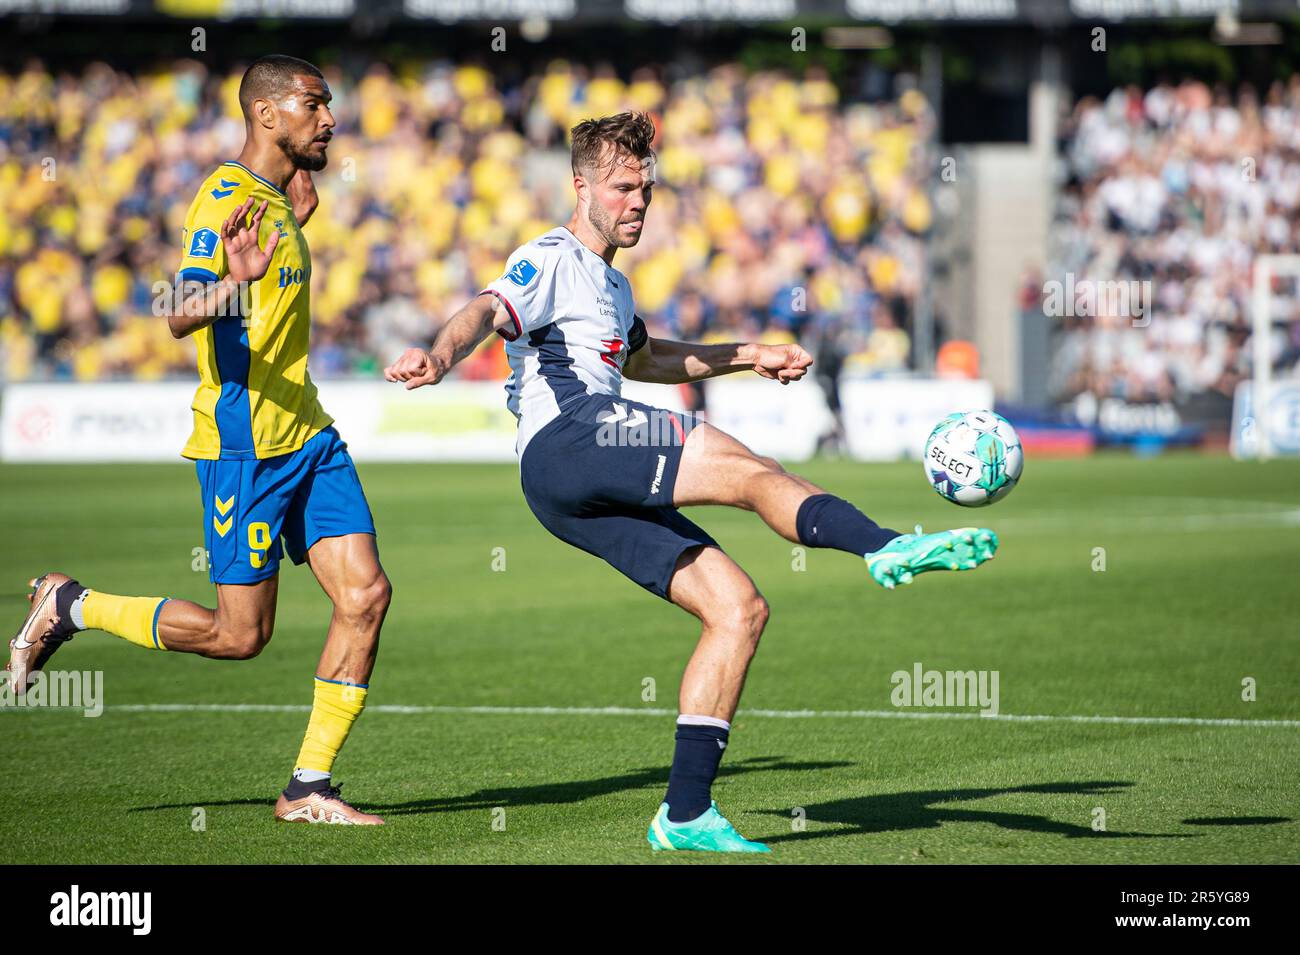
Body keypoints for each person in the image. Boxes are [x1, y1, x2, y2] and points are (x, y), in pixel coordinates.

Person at [384, 112, 997, 852]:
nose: (637, 201)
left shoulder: (612, 286)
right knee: (751, 471)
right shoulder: (548, 257)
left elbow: (649, 360)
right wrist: (440, 356)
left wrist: (749, 353)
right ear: (581, 187)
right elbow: (485, 309)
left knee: (738, 609)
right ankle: (884, 545)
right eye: (621, 187)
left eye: (645, 188)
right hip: (575, 434)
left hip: (564, 484)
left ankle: (684, 813)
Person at [7, 55, 390, 826]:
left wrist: (288, 227)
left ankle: (307, 787)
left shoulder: (276, 198)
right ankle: (72, 605)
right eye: (314, 104)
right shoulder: (222, 197)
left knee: (366, 595)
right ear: (267, 114)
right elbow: (177, 311)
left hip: (308, 434)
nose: (330, 119)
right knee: (239, 635)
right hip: (246, 446)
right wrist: (236, 280)